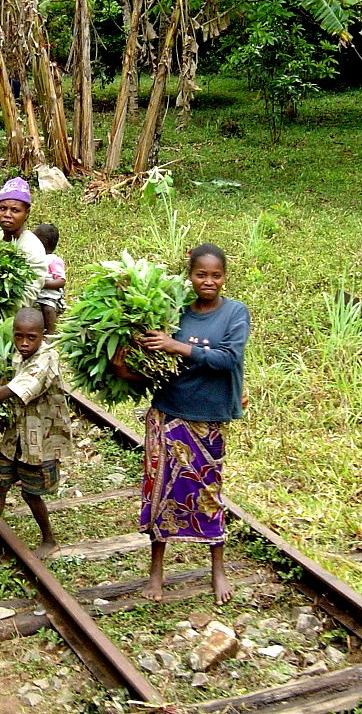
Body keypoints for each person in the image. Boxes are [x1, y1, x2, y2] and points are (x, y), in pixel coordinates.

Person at [137, 243, 250, 606]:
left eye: (216, 275)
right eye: (201, 274)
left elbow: (228, 359)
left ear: (225, 277)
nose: (208, 281)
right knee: (161, 493)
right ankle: (157, 570)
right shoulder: (176, 312)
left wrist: (179, 347)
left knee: (208, 495)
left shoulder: (235, 314)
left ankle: (217, 568)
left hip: (207, 422)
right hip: (168, 414)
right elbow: (151, 355)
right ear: (190, 276)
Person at [0, 307, 72, 564]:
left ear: (43, 335)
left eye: (31, 338)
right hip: (17, 432)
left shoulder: (47, 359)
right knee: (0, 484)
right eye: (19, 336)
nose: (24, 343)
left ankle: (49, 540)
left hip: (41, 437)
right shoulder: (18, 353)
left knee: (30, 492)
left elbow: (14, 390)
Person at [0, 177, 48, 303]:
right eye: (2, 208)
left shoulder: (32, 249)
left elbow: (26, 298)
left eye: (15, 210)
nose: (7, 214)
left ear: (26, 213)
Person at [33, 222, 66, 333]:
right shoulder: (33, 258)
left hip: (50, 296)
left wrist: (44, 284)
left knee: (48, 308)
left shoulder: (53, 260)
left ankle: (50, 333)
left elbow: (61, 281)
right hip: (35, 294)